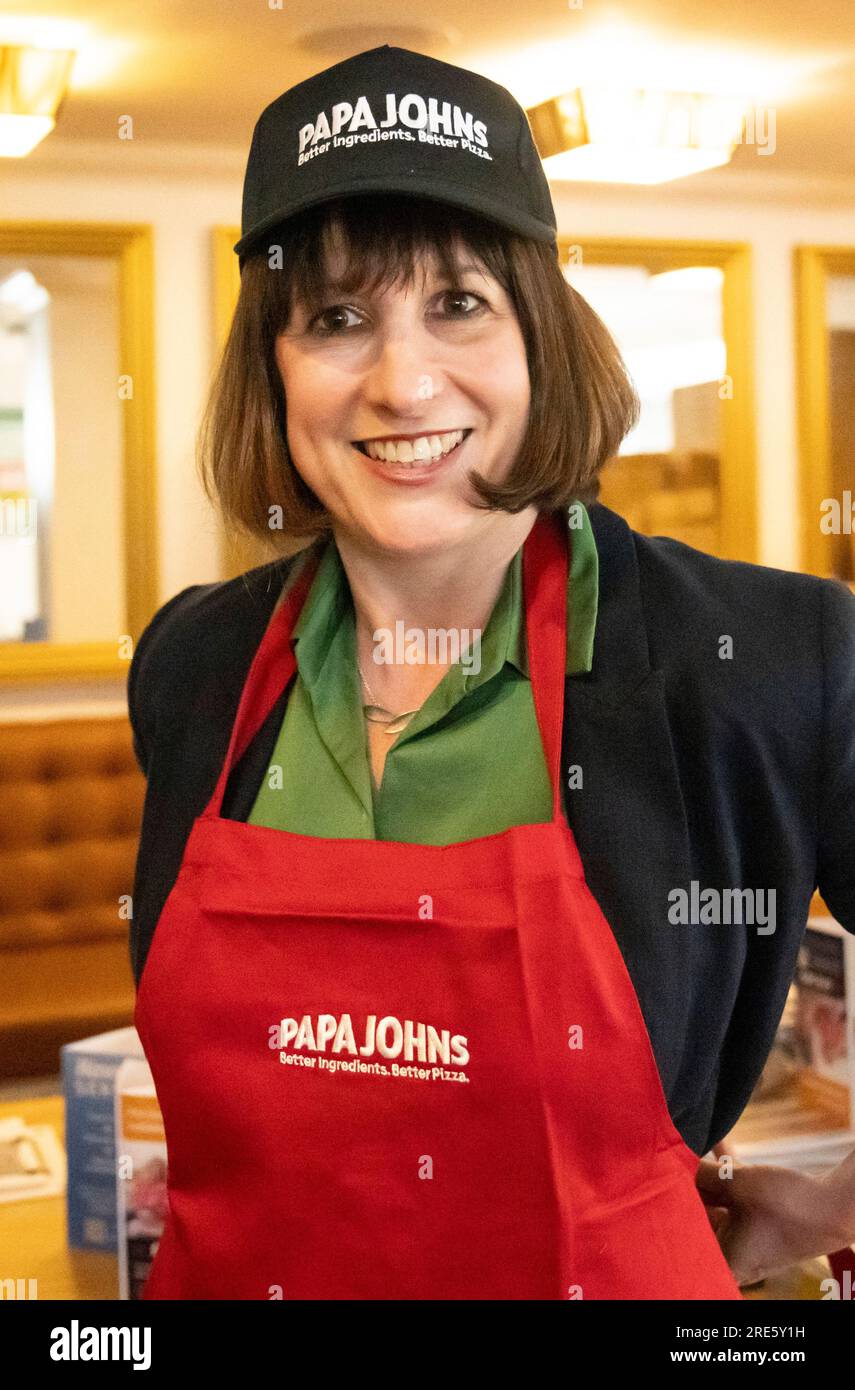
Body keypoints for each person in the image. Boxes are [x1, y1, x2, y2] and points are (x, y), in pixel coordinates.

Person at [128, 44, 855, 1300]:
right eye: (336, 318)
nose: (403, 381)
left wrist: (835, 1204)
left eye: (459, 303)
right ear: (274, 365)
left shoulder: (766, 662)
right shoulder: (195, 663)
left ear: (540, 336)